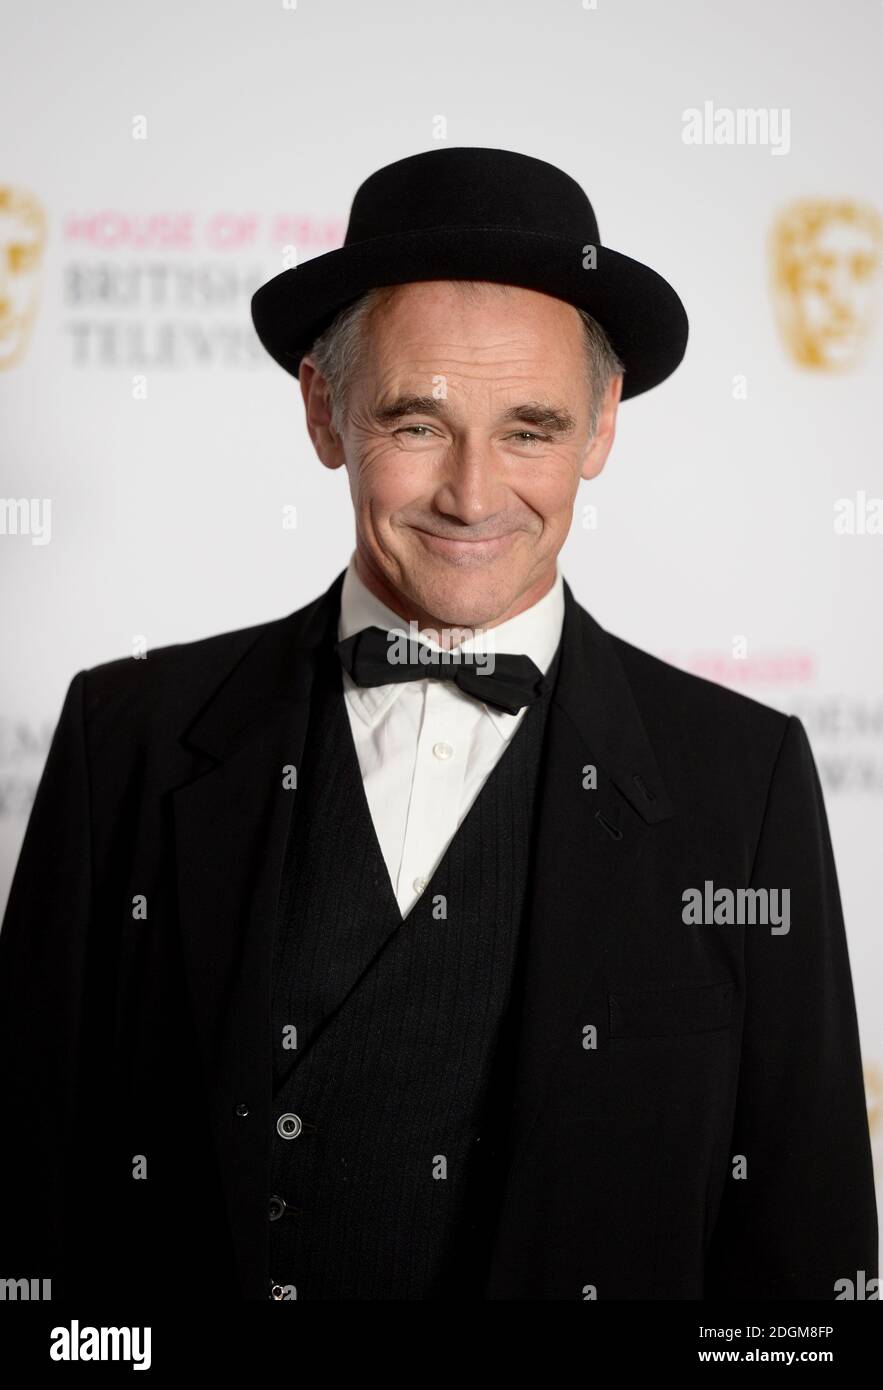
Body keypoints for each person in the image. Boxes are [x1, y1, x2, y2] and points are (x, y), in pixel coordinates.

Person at [0, 147, 876, 1301]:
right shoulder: (127, 736)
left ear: (601, 428)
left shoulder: (742, 779)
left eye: (530, 429)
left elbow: (800, 1269)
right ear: (325, 410)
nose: (473, 493)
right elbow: (27, 1208)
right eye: (417, 424)